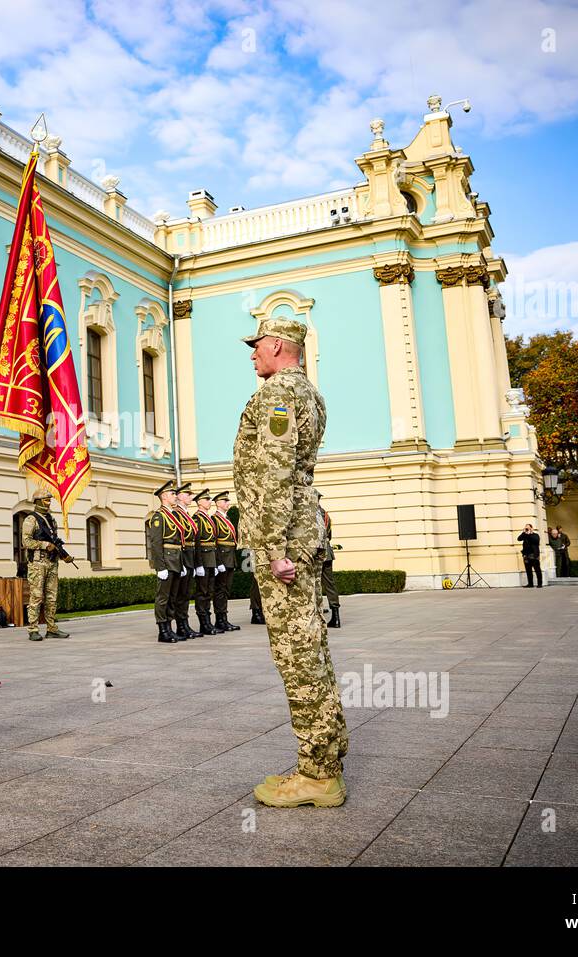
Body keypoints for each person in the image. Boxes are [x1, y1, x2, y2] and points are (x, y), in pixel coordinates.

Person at [233, 315, 348, 809]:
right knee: (311, 646)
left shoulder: (277, 395)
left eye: (257, 345)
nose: (252, 353)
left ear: (278, 344)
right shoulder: (310, 393)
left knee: (297, 655)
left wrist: (274, 549)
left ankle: (318, 774)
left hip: (286, 538)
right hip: (302, 529)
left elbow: (276, 473)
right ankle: (329, 749)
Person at [20, 490, 70, 641]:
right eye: (46, 500)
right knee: (36, 597)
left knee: (51, 598)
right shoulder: (31, 519)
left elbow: (55, 542)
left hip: (52, 562)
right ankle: (33, 629)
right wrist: (44, 544)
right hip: (37, 563)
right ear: (38, 501)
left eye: (49, 500)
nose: (48, 503)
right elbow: (26, 542)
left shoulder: (51, 520)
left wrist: (63, 554)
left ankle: (51, 628)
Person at [146, 479, 185, 643]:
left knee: (172, 597)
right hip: (167, 562)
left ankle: (169, 627)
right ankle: (162, 629)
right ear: (163, 497)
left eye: (175, 493)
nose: (175, 496)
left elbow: (178, 542)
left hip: (176, 560)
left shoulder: (173, 515)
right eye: (172, 493)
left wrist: (181, 563)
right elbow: (156, 544)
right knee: (163, 597)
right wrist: (160, 567)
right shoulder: (158, 517)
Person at [171, 483, 200, 639]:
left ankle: (185, 624)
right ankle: (180, 625)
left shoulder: (187, 513)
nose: (191, 497)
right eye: (188, 494)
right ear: (180, 496)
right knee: (180, 595)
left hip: (190, 557)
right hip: (182, 557)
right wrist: (181, 563)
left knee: (186, 594)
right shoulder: (176, 514)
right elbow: (178, 540)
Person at [211, 491, 241, 632]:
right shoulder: (215, 519)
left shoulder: (226, 518)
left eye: (227, 501)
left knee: (226, 590)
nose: (228, 503)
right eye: (225, 501)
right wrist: (218, 562)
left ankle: (224, 618)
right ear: (217, 503)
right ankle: (220, 620)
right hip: (222, 558)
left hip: (229, 557)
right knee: (220, 590)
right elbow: (214, 542)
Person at [192, 489, 220, 636]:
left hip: (211, 559)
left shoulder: (207, 518)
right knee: (202, 592)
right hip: (203, 558)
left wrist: (215, 562)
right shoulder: (197, 518)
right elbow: (197, 543)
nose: (210, 502)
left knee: (209, 592)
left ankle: (208, 622)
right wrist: (199, 564)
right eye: (207, 499)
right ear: (199, 502)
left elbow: (213, 542)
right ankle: (204, 623)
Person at [316, 492, 340, 628]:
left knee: (312, 583)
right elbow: (329, 535)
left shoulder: (308, 513)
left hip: (314, 552)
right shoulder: (325, 514)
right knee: (330, 584)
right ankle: (336, 616)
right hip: (327, 551)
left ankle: (316, 613)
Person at [517, 523, 543, 588]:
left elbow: (536, 541)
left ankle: (540, 584)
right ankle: (530, 584)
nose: (527, 529)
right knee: (528, 571)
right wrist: (523, 532)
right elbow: (519, 539)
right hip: (526, 556)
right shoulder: (524, 535)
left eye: (528, 528)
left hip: (534, 555)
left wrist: (530, 533)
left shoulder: (535, 535)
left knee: (537, 570)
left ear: (532, 528)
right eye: (526, 528)